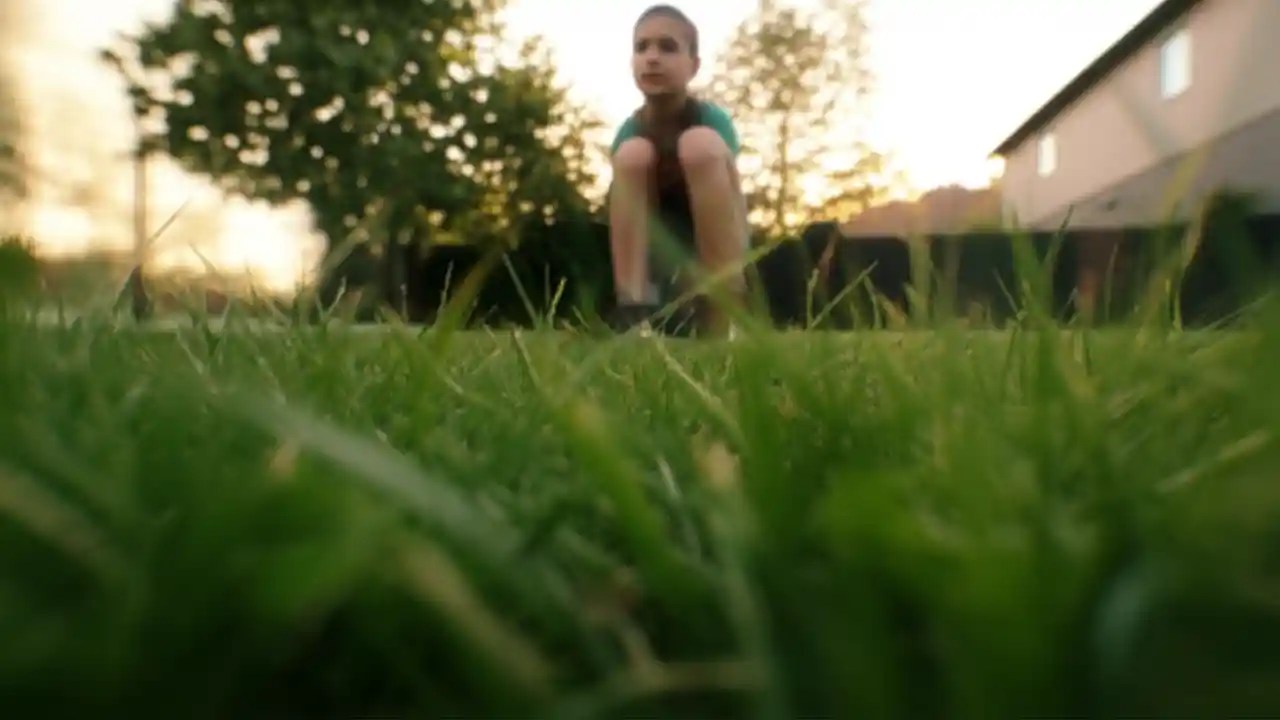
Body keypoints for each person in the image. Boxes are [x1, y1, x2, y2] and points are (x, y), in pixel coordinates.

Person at [607, 4, 749, 337]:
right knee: (631, 155)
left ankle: (725, 310)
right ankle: (634, 311)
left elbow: (734, 199)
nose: (652, 58)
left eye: (668, 47)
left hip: (711, 254)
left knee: (700, 145)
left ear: (693, 65)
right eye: (641, 47)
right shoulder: (628, 134)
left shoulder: (712, 122)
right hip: (656, 256)